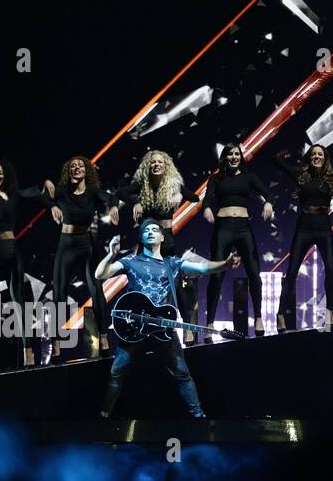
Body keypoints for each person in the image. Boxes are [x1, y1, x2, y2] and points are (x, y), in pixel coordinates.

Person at [95, 220, 239, 418]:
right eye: (146, 230)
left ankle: (199, 419)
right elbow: (99, 274)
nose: (151, 232)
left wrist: (225, 264)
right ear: (142, 237)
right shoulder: (130, 261)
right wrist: (111, 254)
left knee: (182, 373)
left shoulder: (172, 263)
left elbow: (204, 269)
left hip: (163, 331)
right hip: (134, 330)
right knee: (116, 373)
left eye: (155, 230)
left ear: (163, 237)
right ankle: (103, 417)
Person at [116, 150, 201, 343]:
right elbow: (121, 192)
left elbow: (194, 198)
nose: (156, 165)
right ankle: (138, 326)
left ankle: (187, 327)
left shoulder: (173, 185)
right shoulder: (142, 185)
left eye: (160, 162)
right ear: (148, 165)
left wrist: (179, 195)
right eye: (153, 162)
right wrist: (136, 201)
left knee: (174, 284)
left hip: (167, 240)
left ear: (166, 166)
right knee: (139, 283)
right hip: (147, 242)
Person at [273, 144, 333, 332]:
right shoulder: (301, 176)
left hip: (323, 226)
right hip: (304, 226)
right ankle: (280, 314)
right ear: (309, 158)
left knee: (331, 269)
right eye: (313, 154)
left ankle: (329, 313)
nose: (317, 157)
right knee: (292, 271)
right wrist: (281, 154)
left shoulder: (332, 176)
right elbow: (276, 162)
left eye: (320, 154)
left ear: (324, 158)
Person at [0, 159, 46, 371]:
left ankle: (28, 352)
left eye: (1, 173)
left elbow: (33, 192)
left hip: (11, 251)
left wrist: (46, 184)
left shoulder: (14, 195)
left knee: (19, 304)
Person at [47, 155, 119, 361]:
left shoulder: (94, 192)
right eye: (73, 166)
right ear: (68, 172)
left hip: (87, 244)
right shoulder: (61, 192)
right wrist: (51, 204)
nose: (77, 168)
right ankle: (56, 343)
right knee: (59, 295)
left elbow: (111, 197)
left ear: (86, 170)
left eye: (81, 165)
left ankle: (104, 337)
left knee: (97, 291)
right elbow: (39, 193)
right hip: (66, 245)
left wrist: (113, 206)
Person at [202, 142, 273, 337]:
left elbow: (267, 193)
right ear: (224, 158)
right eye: (230, 154)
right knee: (216, 275)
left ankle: (258, 317)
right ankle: (209, 324)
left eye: (237, 154)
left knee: (254, 273)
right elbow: (208, 198)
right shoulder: (216, 179)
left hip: (243, 228)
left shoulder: (249, 177)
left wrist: (268, 202)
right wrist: (207, 208)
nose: (234, 157)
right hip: (223, 228)